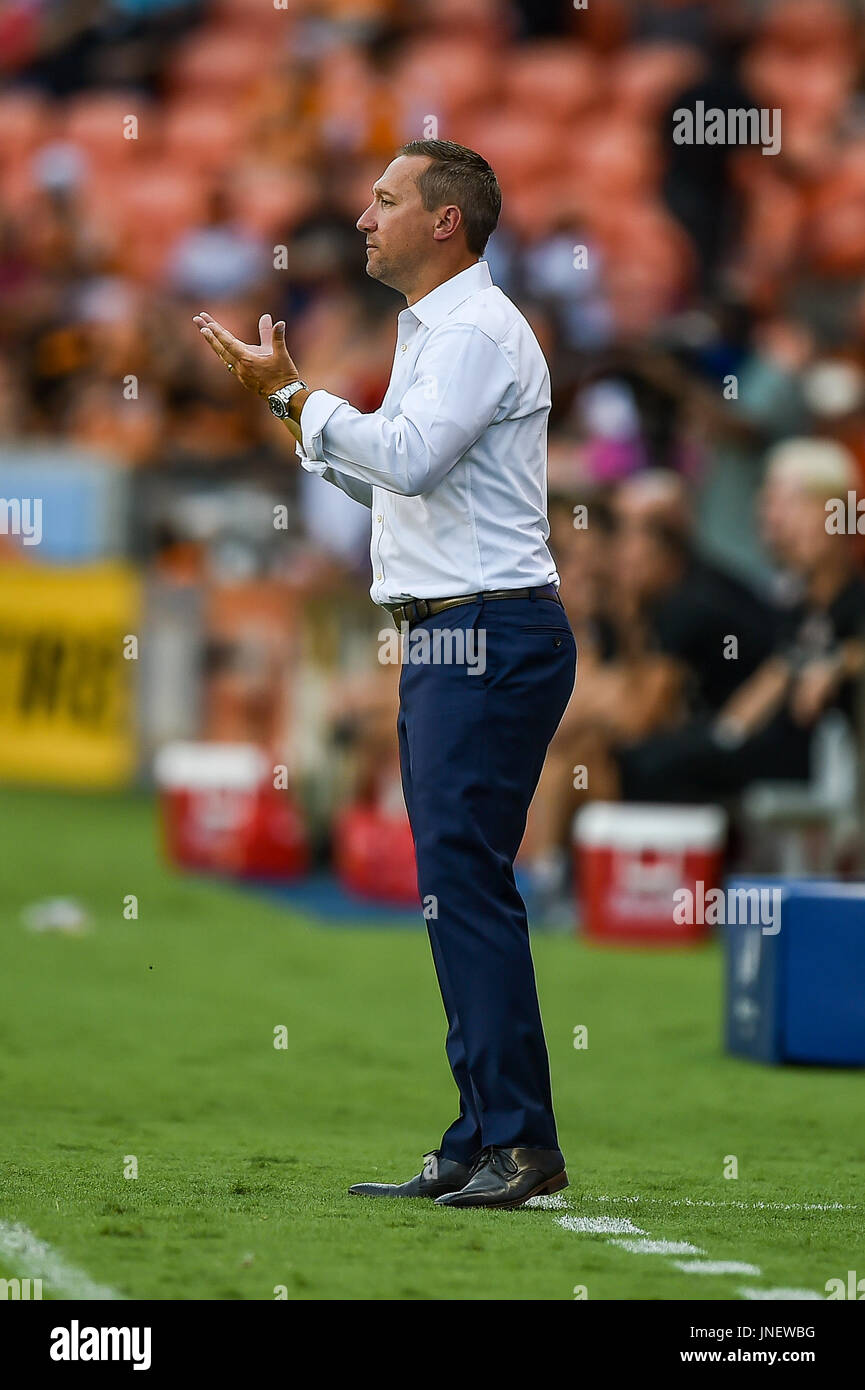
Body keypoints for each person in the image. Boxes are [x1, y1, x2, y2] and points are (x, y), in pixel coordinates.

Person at [193, 140, 576, 1210]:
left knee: (468, 885)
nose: (364, 216)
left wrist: (303, 400)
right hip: (459, 630)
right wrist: (288, 404)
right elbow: (398, 485)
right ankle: (482, 1133)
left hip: (486, 632)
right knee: (454, 887)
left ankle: (517, 1141)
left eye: (386, 198)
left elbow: (402, 459)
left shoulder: (472, 333)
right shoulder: (440, 332)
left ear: (444, 221)